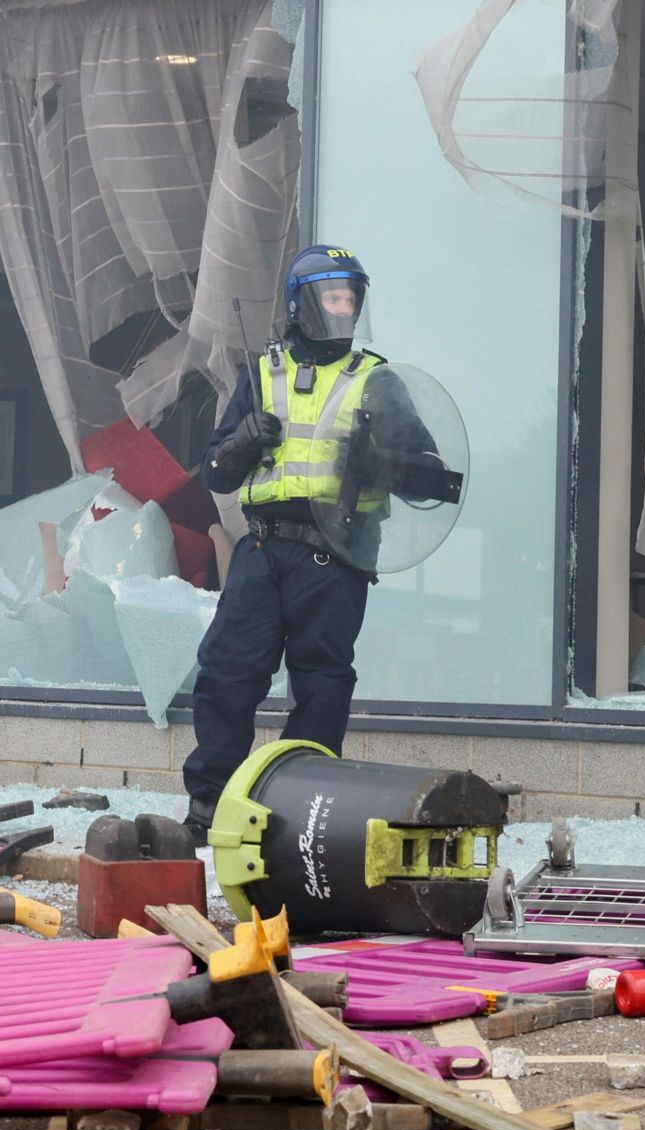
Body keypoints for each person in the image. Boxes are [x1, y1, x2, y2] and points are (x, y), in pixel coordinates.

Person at [180, 245, 429, 845]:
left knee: (322, 685)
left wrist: (378, 461)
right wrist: (241, 440)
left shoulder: (377, 380)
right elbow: (214, 474)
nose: (343, 307)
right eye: (331, 296)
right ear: (301, 305)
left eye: (350, 298)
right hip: (262, 550)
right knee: (226, 673)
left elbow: (429, 476)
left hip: (337, 557)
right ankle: (209, 806)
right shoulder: (261, 374)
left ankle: (298, 809)